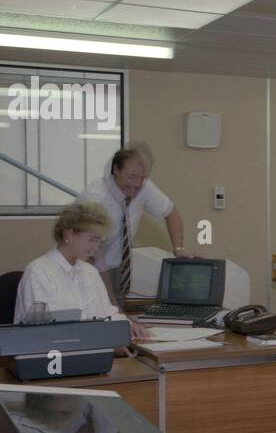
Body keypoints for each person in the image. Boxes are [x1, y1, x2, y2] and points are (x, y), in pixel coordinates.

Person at [78, 142, 193, 306]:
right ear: (116, 170)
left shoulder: (143, 187)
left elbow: (170, 212)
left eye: (142, 177)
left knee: (119, 319)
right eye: (131, 176)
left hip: (117, 268)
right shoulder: (95, 198)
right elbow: (95, 255)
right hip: (88, 267)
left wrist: (179, 249)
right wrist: (113, 305)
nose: (137, 184)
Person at [15, 201, 146, 340]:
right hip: (51, 356)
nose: (96, 248)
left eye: (99, 241)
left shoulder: (90, 272)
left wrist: (128, 325)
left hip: (88, 349)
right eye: (92, 239)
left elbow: (107, 313)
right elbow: (40, 330)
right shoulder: (38, 272)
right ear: (68, 235)